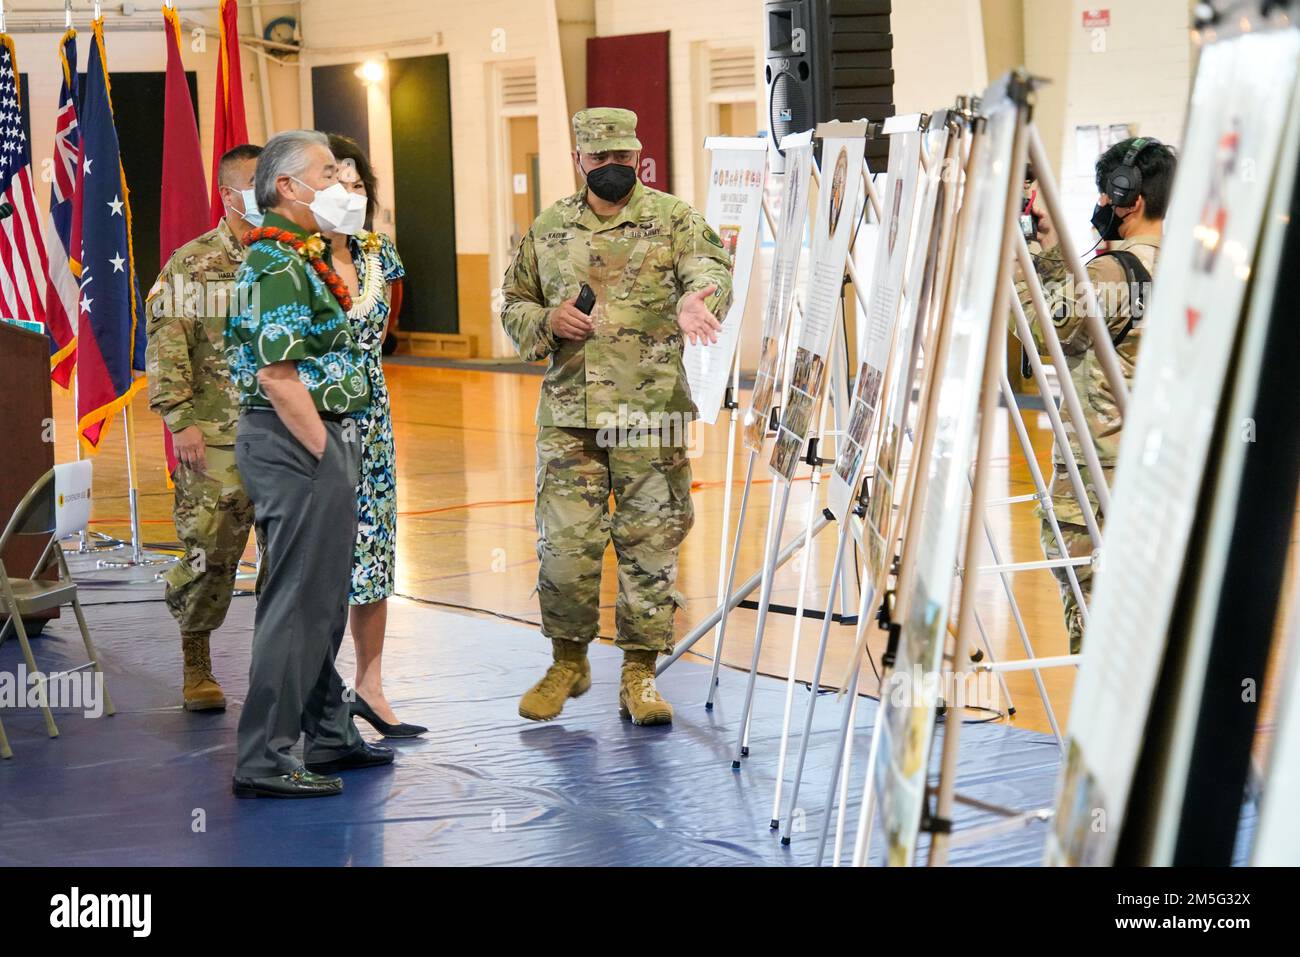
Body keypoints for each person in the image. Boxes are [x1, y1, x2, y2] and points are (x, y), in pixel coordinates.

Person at [500, 107, 733, 726]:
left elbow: (712, 270)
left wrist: (693, 300)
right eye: (599, 160)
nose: (611, 169)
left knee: (649, 547)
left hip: (650, 415)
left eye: (622, 159)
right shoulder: (549, 228)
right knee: (566, 548)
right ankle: (567, 661)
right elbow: (515, 301)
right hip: (570, 418)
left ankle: (639, 674)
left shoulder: (673, 219)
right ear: (579, 160)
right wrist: (545, 321)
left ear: (639, 156)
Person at [225, 130, 393, 798]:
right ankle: (263, 756)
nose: (339, 182)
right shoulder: (276, 264)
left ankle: (326, 729)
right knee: (296, 604)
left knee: (322, 600)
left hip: (320, 438)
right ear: (287, 188)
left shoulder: (305, 255)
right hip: (297, 441)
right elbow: (279, 375)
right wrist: (330, 461)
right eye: (327, 172)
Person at [1016, 136, 1177, 653]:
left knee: (1096, 632)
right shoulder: (1180, 267)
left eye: (1108, 194)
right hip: (1156, 474)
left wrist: (1019, 261)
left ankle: (1105, 735)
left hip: (1099, 480)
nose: (1101, 204)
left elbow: (1045, 331)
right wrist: (1055, 247)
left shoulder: (1113, 273)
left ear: (1130, 197)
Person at [145, 143, 264, 712]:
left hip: (285, 434)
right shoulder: (191, 263)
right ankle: (197, 660)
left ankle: (286, 669)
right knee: (209, 551)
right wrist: (180, 421)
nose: (264, 195)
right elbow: (168, 347)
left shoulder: (290, 260)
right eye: (252, 184)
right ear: (227, 194)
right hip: (215, 437)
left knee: (289, 556)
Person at [324, 132, 425, 738]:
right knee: (322, 560)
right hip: (314, 425)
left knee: (374, 557)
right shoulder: (292, 257)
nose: (350, 192)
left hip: (375, 427)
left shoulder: (378, 254)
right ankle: (319, 691)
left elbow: (386, 326)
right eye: (338, 180)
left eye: (358, 183)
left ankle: (371, 685)